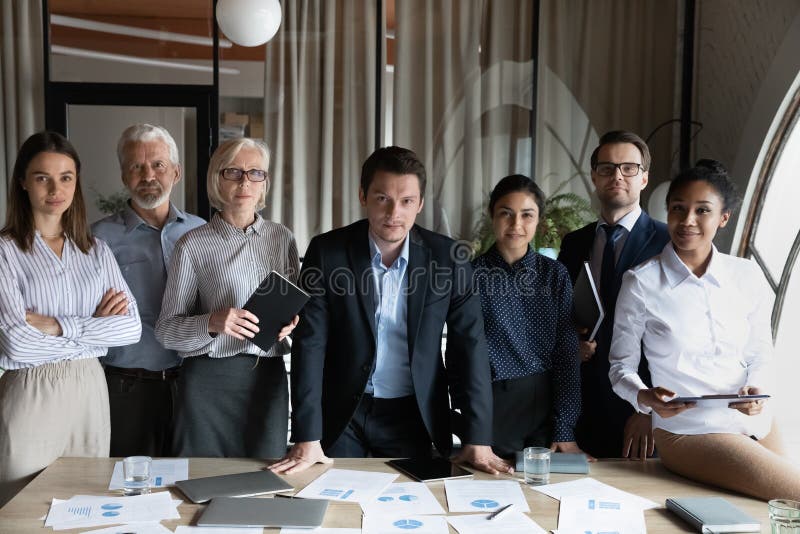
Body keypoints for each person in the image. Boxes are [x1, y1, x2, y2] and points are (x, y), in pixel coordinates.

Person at [270, 146, 512, 475]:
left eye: (407, 201)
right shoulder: (328, 252)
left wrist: (478, 436)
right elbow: (310, 344)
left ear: (420, 204)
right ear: (363, 196)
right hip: (343, 414)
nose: (394, 213)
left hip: (413, 415)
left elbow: (469, 347)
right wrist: (306, 433)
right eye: (382, 198)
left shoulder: (449, 258)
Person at [609, 160, 800, 500]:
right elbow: (620, 368)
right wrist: (644, 399)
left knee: (785, 513)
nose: (687, 221)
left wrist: (758, 390)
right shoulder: (641, 282)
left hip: (754, 421)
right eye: (678, 209)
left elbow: (760, 354)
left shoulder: (747, 276)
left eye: (702, 210)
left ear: (723, 218)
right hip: (688, 431)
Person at [0, 132, 141, 506]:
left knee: (87, 504)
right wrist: (95, 329)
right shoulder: (5, 251)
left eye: (66, 177)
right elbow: (16, 342)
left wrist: (58, 325)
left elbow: (130, 328)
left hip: (90, 390)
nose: (55, 188)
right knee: (23, 507)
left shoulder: (96, 251)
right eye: (42, 176)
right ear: (23, 182)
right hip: (30, 392)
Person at [155, 137, 299, 458]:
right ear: (216, 180)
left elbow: (295, 306)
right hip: (207, 381)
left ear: (265, 183)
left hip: (268, 379)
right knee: (201, 482)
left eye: (255, 173)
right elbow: (166, 330)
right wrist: (212, 321)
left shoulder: (282, 238)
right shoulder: (192, 245)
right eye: (233, 172)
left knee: (264, 479)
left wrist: (294, 324)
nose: (245, 181)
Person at [92, 124, 205, 457]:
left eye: (157, 165)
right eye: (136, 167)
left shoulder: (202, 233)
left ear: (176, 172)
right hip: (126, 390)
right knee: (127, 490)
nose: (148, 175)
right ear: (124, 176)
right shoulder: (97, 240)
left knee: (191, 486)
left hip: (193, 386)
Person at [557, 130, 669, 459]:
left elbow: (674, 336)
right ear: (594, 177)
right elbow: (562, 314)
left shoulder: (666, 243)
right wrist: (569, 344)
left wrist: (648, 409)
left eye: (629, 168)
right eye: (606, 168)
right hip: (581, 403)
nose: (617, 176)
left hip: (638, 410)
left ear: (645, 177)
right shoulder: (574, 243)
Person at [471, 175, 586, 459]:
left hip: (547, 406)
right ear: (492, 216)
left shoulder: (555, 274)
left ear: (539, 220)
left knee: (549, 492)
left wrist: (564, 429)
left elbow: (566, 353)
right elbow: (462, 356)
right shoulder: (469, 275)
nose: (516, 225)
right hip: (493, 405)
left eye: (527, 215)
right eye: (506, 214)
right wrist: (476, 431)